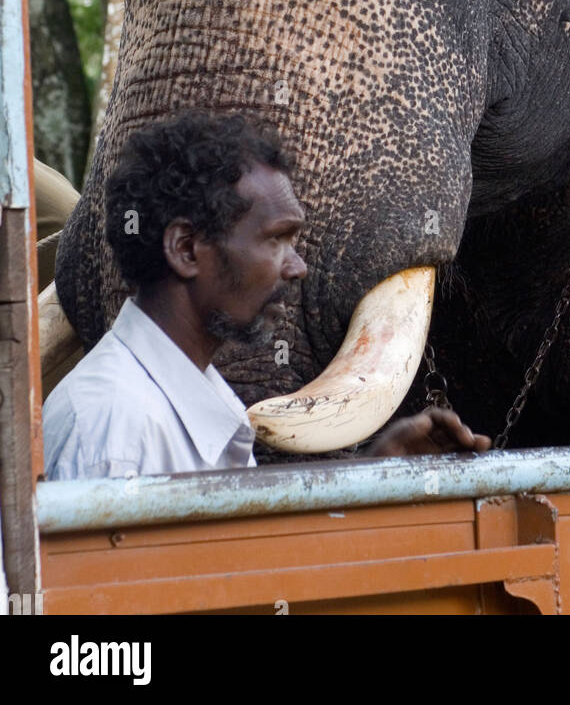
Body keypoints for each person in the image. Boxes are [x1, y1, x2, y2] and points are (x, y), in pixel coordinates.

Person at [43, 112, 490, 479]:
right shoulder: (114, 430)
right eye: (276, 240)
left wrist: (374, 472)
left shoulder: (183, 397)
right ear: (185, 249)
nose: (297, 267)